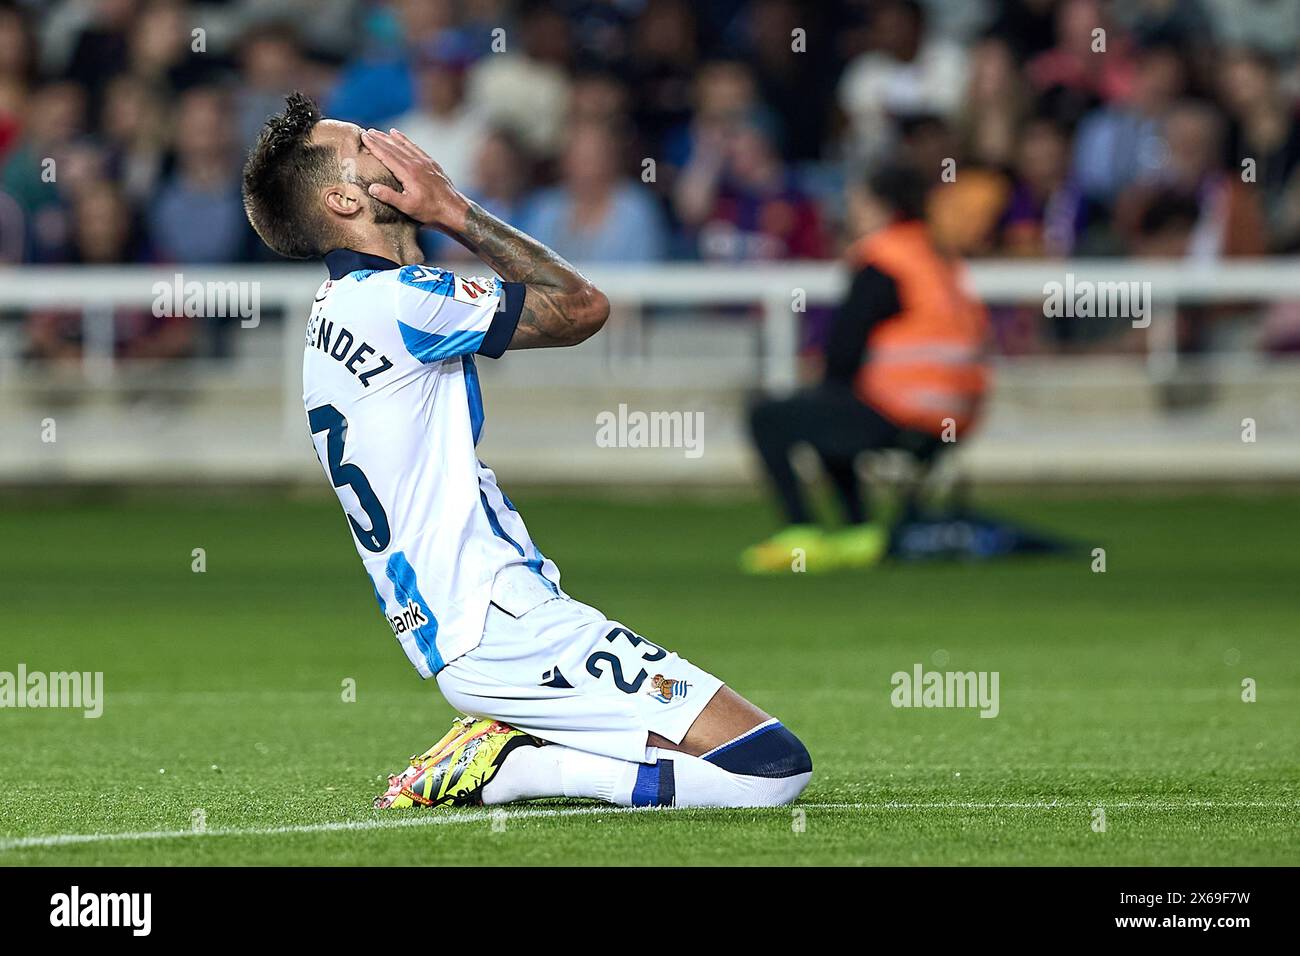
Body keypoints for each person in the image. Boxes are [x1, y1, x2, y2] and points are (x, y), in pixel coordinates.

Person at [240, 93, 811, 810]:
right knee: (770, 770)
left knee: (731, 755)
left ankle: (512, 744)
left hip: (472, 627)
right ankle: (516, 768)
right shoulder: (400, 301)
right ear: (344, 200)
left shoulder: (337, 313)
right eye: (366, 146)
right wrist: (455, 210)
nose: (395, 146)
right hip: (504, 625)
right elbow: (581, 307)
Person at [741, 164, 989, 574]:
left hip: (907, 412)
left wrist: (820, 385)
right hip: (955, 414)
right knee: (828, 413)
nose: (851, 211)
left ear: (880, 206)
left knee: (769, 415)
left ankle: (802, 531)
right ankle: (859, 534)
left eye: (857, 201)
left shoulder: (882, 259)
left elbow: (843, 352)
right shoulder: (936, 254)